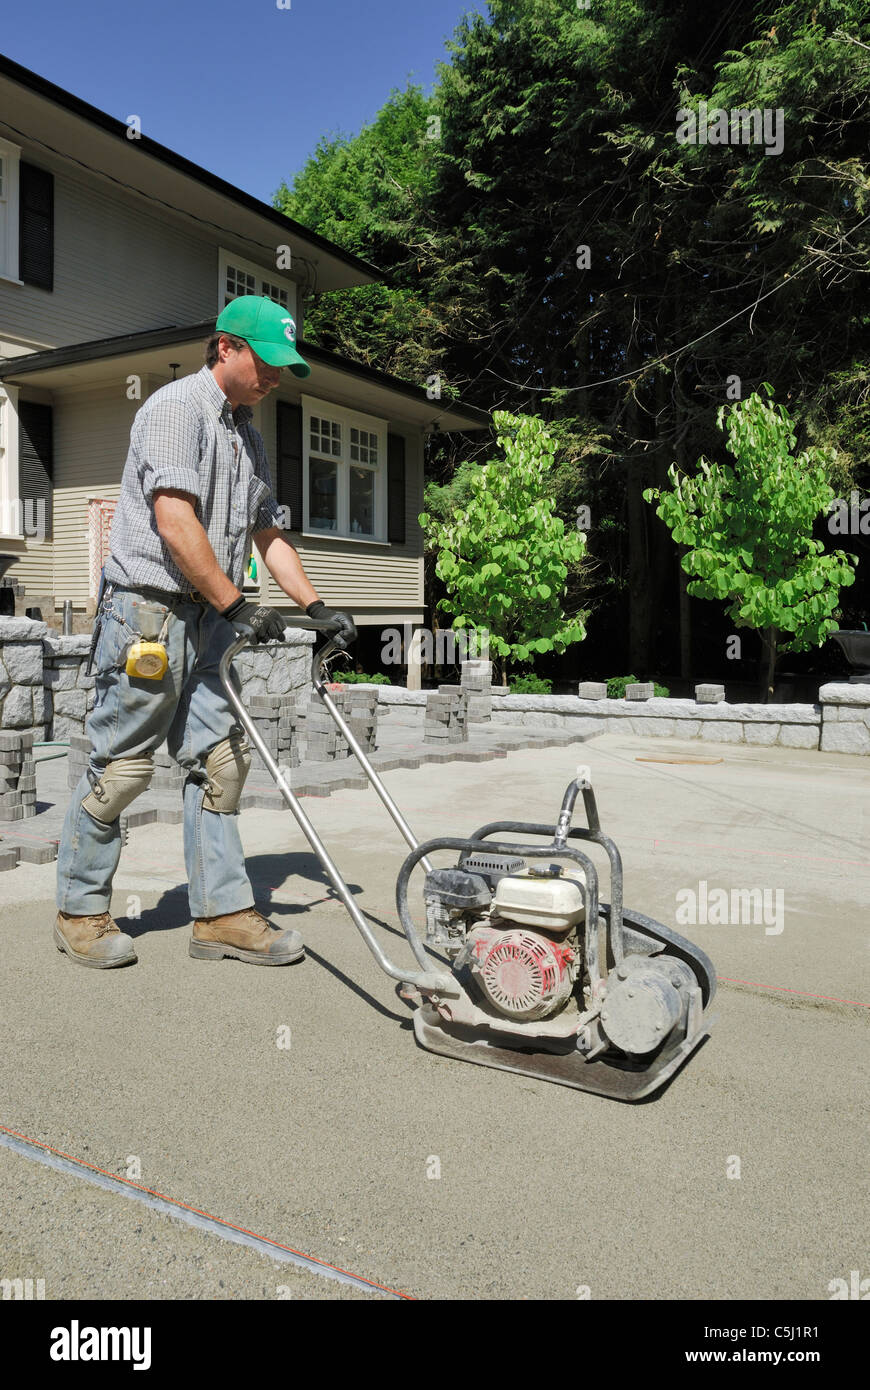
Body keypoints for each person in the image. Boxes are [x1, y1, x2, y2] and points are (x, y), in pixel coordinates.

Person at [55, 295, 356, 969]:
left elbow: (267, 531)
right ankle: (79, 911)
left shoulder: (247, 435)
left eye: (284, 366)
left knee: (222, 764)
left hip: (209, 618)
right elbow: (174, 521)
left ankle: (220, 915)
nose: (276, 377)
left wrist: (315, 606)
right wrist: (237, 603)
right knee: (123, 770)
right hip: (149, 616)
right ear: (226, 347)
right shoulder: (173, 410)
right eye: (267, 363)